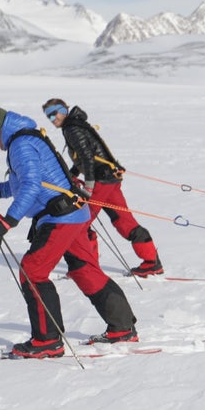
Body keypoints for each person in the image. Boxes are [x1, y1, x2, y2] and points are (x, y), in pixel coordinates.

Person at [0, 105, 140, 356]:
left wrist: (8, 221)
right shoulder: (25, 137)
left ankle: (47, 340)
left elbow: (31, 185)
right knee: (84, 270)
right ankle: (122, 328)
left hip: (60, 217)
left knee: (32, 270)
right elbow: (18, 184)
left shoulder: (21, 144)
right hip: (72, 213)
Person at [42, 97, 164, 278]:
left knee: (80, 222)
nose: (53, 120)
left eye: (54, 114)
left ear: (64, 109)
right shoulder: (77, 124)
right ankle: (152, 262)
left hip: (100, 180)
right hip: (110, 178)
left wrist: (89, 186)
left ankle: (87, 267)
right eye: (48, 117)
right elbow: (83, 157)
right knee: (124, 221)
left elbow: (87, 158)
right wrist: (71, 175)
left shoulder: (72, 128)